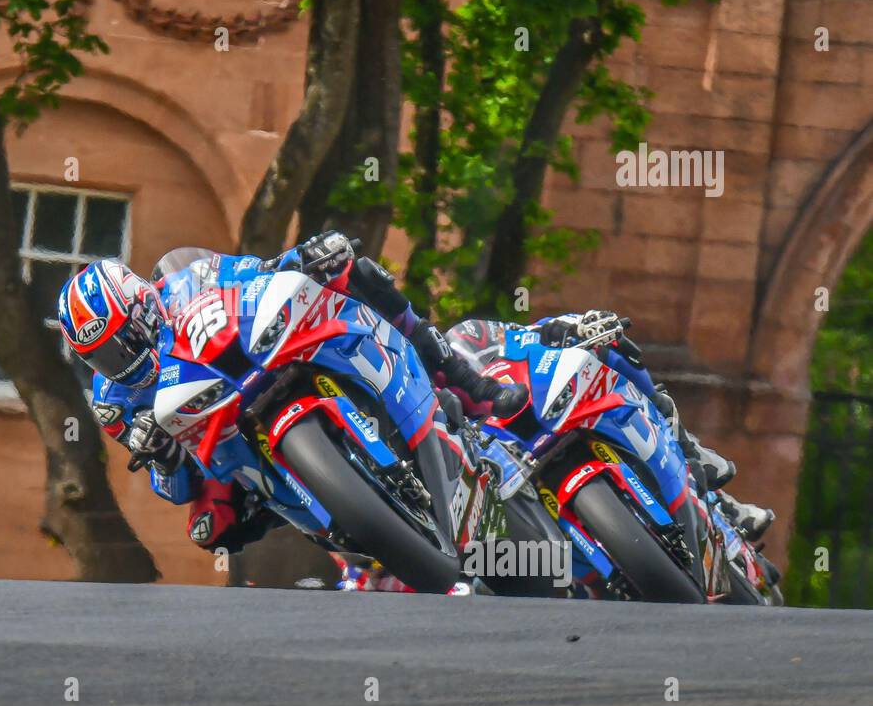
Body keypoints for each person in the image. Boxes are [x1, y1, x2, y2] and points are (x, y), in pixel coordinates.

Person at [57, 231, 527, 557]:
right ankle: (323, 513)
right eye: (103, 357)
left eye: (123, 341)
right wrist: (164, 458)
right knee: (210, 529)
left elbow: (256, 276)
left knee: (353, 268)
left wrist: (304, 258)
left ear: (141, 307)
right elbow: (177, 491)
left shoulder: (186, 282)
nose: (120, 361)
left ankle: (467, 383)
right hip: (220, 442)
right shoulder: (113, 402)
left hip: (261, 362)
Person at [446, 310, 775, 543]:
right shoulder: (434, 395)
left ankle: (691, 452)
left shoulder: (463, 339)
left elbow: (531, 331)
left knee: (605, 346)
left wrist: (578, 326)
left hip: (551, 403)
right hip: (511, 460)